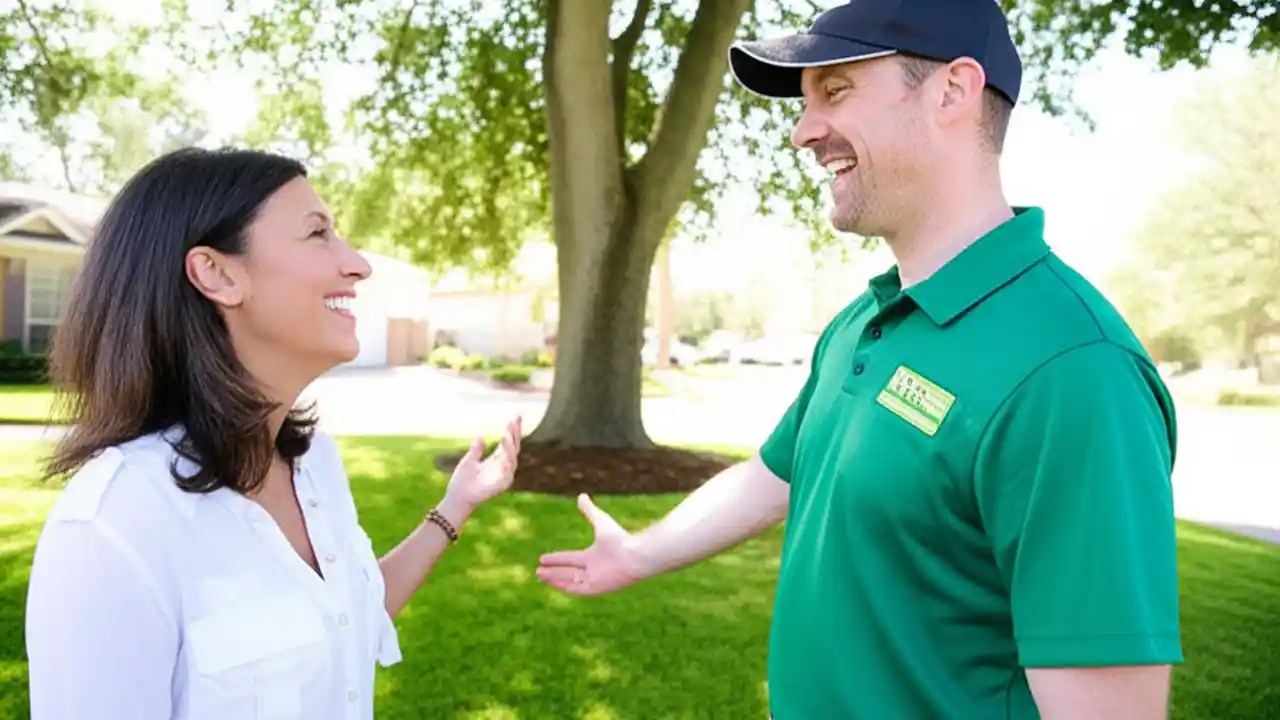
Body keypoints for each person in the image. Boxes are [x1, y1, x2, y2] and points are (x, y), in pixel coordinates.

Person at [536, 1, 1182, 718]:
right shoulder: (864, 321)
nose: (803, 131)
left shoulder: (1072, 371)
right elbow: (772, 478)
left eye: (836, 92)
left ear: (953, 91)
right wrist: (638, 555)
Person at [24, 146, 523, 720]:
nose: (358, 263)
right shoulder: (113, 525)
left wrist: (453, 509)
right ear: (217, 273)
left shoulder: (314, 465)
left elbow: (346, 615)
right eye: (318, 234)